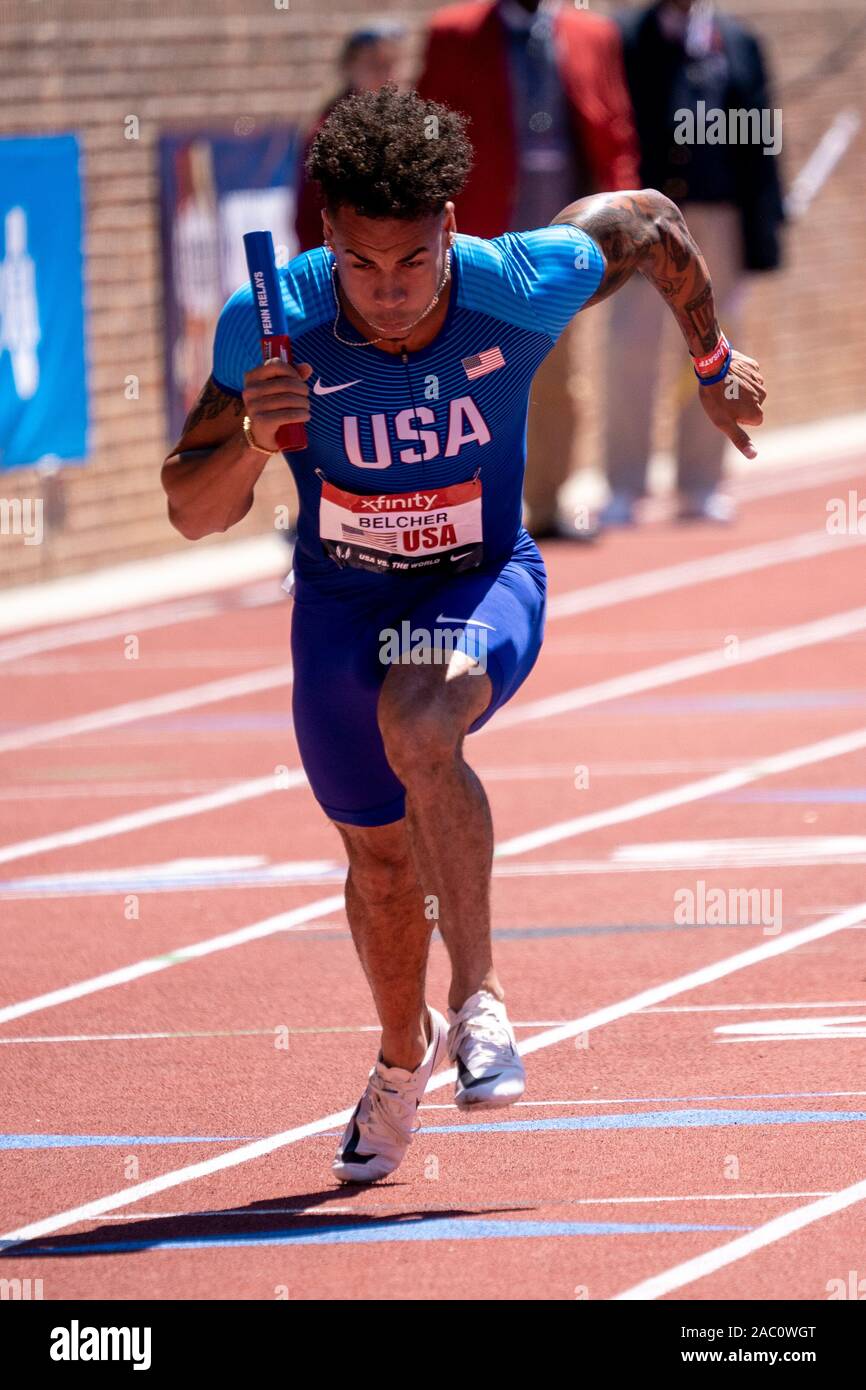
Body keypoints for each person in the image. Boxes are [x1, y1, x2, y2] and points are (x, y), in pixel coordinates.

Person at [160, 85, 764, 1184]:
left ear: (449, 231)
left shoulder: (520, 281)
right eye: (360, 268)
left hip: (479, 578)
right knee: (380, 866)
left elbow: (656, 226)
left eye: (410, 266)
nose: (387, 297)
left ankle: (478, 994)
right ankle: (400, 1064)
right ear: (324, 240)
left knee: (423, 716)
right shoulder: (267, 321)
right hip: (339, 609)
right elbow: (191, 510)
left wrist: (712, 365)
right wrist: (254, 434)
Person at [415, 0, 640, 540]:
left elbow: (617, 132)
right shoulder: (453, 34)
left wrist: (617, 226)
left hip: (562, 254)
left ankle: (544, 506)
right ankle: (463, 510)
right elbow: (426, 136)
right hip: (477, 246)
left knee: (558, 380)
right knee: (468, 376)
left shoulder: (593, 34)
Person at [600, 0, 784, 526]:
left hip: (719, 220)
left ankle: (702, 483)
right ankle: (624, 486)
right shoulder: (624, 37)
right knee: (630, 347)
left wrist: (760, 243)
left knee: (718, 352)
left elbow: (762, 144)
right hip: (642, 218)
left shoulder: (738, 42)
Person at [295, 22, 408, 255]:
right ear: (349, 67)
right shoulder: (328, 131)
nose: (385, 74)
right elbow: (310, 216)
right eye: (374, 64)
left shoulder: (403, 122)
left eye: (390, 64)